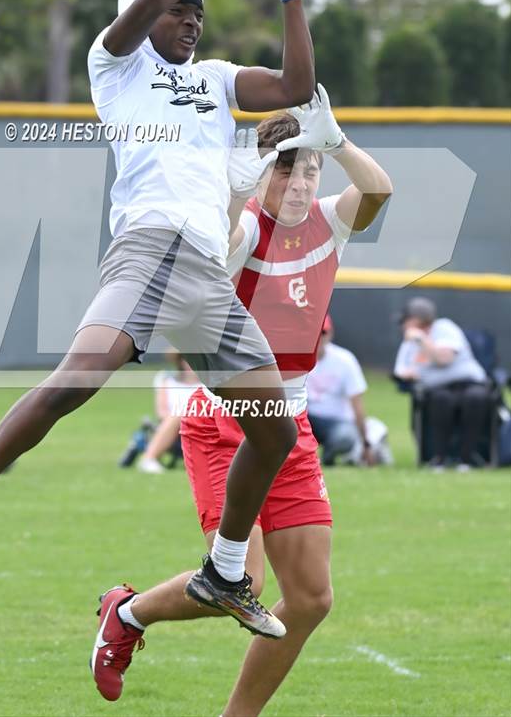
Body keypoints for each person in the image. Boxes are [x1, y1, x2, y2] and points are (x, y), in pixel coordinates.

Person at [0, 0, 317, 638]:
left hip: (205, 272)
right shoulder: (117, 65)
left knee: (273, 430)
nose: (192, 21)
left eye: (201, 14)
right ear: (147, 9)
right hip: (148, 247)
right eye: (182, 11)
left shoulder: (217, 80)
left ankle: (225, 569)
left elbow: (295, 82)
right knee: (77, 377)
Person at [90, 86, 393, 712]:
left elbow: (379, 191)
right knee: (242, 579)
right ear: (260, 172)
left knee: (310, 598)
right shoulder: (246, 224)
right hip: (227, 419)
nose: (303, 180)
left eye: (310, 168)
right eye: (288, 166)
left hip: (293, 420)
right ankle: (129, 613)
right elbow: (222, 234)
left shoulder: (329, 222)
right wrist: (240, 179)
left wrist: (334, 141)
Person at [393, 296, 489, 470]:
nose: (402, 325)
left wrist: (421, 339)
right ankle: (439, 459)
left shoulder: (444, 327)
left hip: (468, 383)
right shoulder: (408, 343)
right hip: (437, 390)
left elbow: (444, 358)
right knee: (441, 400)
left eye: (405, 321)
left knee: (475, 397)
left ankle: (467, 460)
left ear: (415, 320)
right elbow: (400, 370)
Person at [307, 314, 374, 466]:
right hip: (306, 417)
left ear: (330, 334)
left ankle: (327, 459)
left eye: (322, 333)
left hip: (337, 421)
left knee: (345, 437)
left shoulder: (345, 360)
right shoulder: (296, 358)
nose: (319, 338)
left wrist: (366, 443)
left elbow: (357, 405)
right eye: (315, 333)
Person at [137, 351, 199, 474]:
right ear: (180, 361)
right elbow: (162, 412)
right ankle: (149, 458)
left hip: (200, 425)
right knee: (178, 414)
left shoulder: (209, 384)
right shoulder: (167, 380)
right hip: (174, 426)